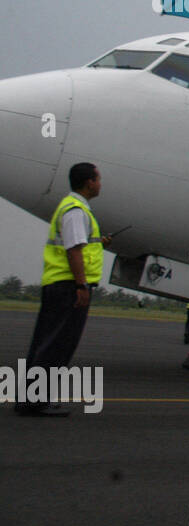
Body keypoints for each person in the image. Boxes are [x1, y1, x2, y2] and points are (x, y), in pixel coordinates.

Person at [17, 163, 112, 417]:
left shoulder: (75, 209)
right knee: (57, 344)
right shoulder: (76, 210)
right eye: (98, 179)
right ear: (89, 183)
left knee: (47, 342)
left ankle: (30, 399)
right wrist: (81, 285)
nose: (100, 183)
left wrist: (98, 242)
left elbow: (79, 245)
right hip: (68, 287)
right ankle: (35, 402)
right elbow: (73, 250)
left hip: (60, 285)